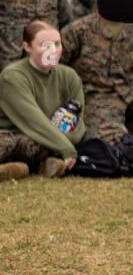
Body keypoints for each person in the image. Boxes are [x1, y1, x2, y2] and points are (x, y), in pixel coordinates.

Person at [0, 21, 86, 179]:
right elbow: (33, 119)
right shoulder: (12, 77)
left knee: (39, 144)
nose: (53, 51)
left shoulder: (69, 76)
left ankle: (31, 166)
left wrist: (63, 144)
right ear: (27, 47)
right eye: (45, 46)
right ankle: (27, 167)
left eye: (57, 44)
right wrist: (64, 147)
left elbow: (77, 120)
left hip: (42, 138)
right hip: (11, 133)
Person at [60, 9, 133, 145]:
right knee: (110, 136)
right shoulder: (78, 30)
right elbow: (55, 68)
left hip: (128, 94)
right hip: (94, 96)